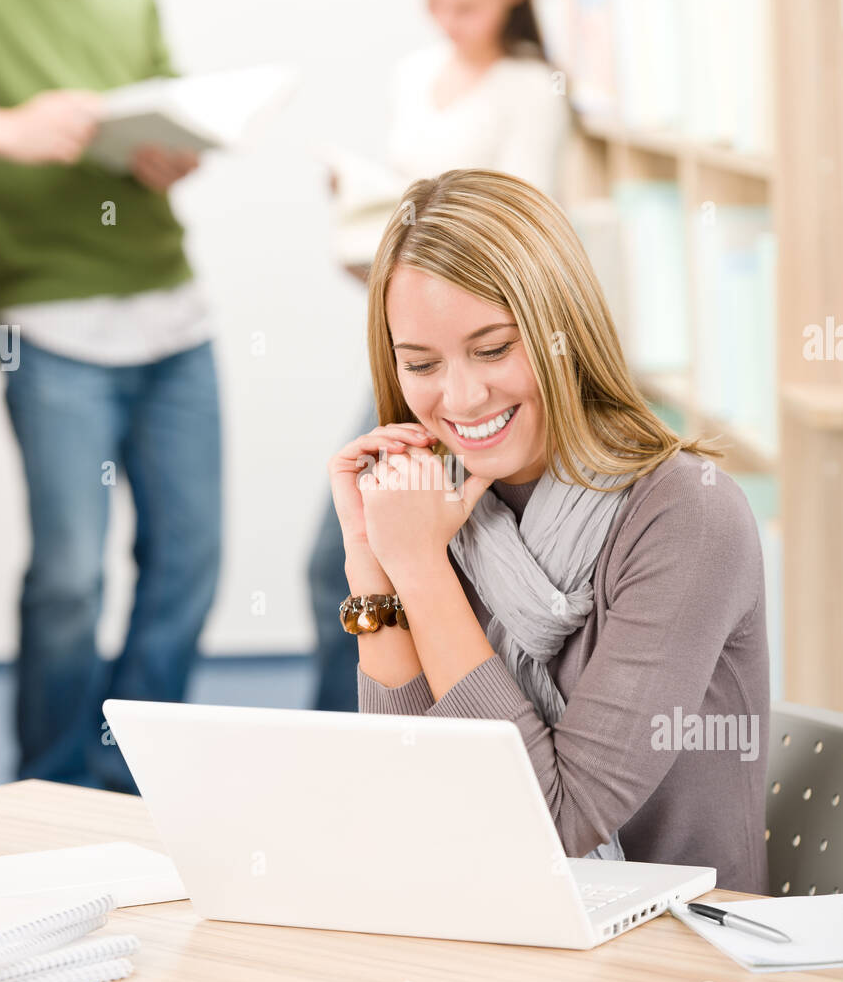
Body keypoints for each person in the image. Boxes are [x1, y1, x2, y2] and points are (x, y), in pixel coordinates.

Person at [327, 169, 770, 893]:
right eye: (421, 364)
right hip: (496, 923)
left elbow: (558, 825)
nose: (462, 397)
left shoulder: (688, 515)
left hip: (671, 962)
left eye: (495, 348)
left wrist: (422, 570)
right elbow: (406, 792)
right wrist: (369, 564)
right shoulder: (432, 502)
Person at [0, 0, 221, 793]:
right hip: (50, 326)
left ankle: (131, 784)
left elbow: (161, 96)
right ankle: (47, 785)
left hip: (172, 312)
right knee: (71, 580)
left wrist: (172, 147)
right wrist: (8, 129)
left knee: (187, 561)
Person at [307, 0, 567, 712]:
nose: (451, 22)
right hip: (412, 339)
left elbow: (522, 234)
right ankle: (353, 736)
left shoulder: (531, 89)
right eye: (436, 3)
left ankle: (421, 741)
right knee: (339, 559)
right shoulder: (414, 75)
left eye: (470, 4)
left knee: (438, 558)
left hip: (478, 349)